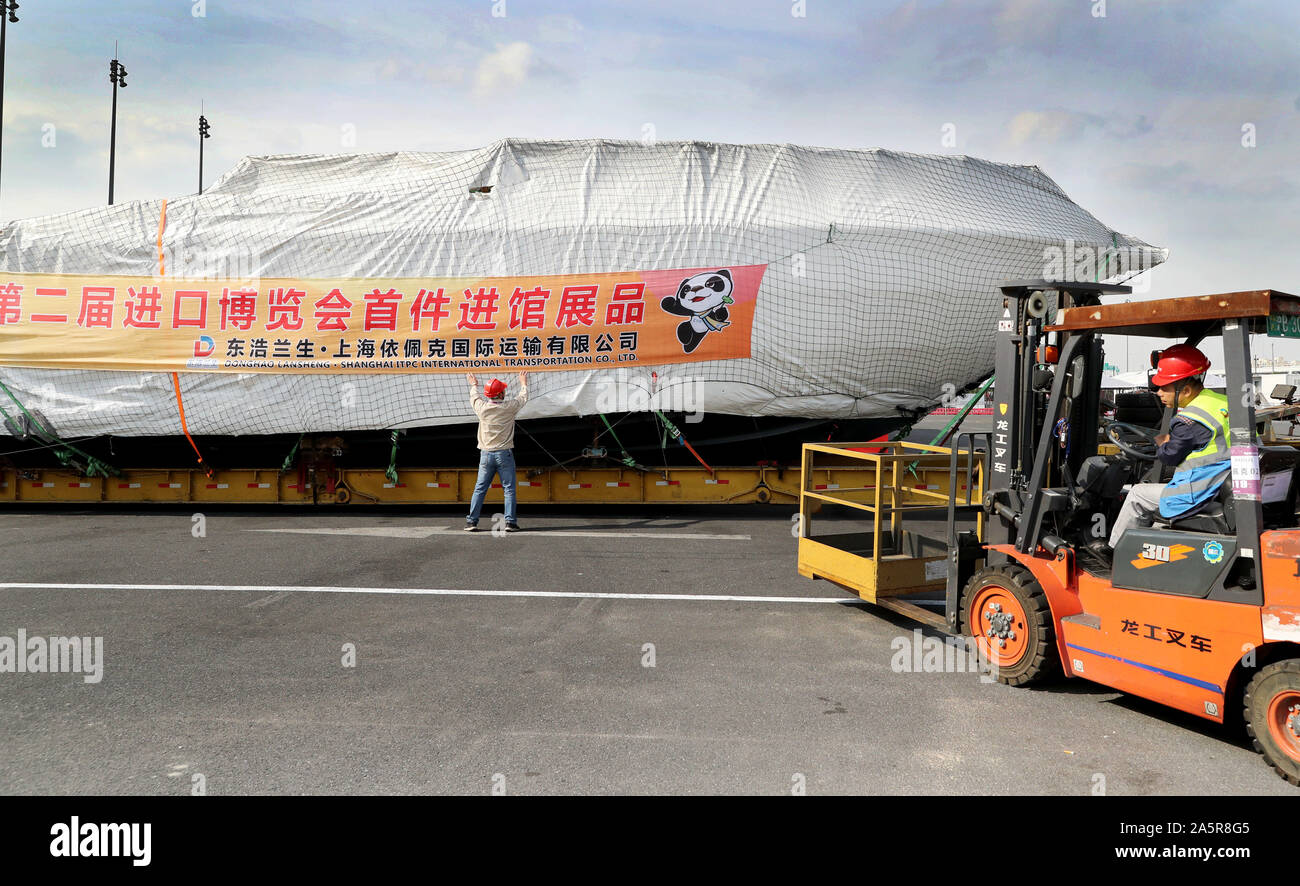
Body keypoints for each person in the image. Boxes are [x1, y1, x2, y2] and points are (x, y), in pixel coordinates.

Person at [1090, 345, 1231, 561]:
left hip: (1197, 490)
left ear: (1185, 390)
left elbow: (1169, 457)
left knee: (1137, 494)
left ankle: (1115, 552)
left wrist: (1163, 443)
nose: (1158, 393)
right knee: (1152, 494)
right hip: (1219, 483)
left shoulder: (1188, 420)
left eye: (1164, 388)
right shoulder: (1221, 402)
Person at [464, 372, 528, 532]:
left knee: (480, 488)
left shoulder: (482, 408)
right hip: (504, 454)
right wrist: (523, 383)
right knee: (509, 489)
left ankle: (472, 522)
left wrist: (473, 384)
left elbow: (474, 397)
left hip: (486, 454)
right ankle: (510, 523)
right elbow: (523, 397)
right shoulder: (509, 408)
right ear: (501, 393)